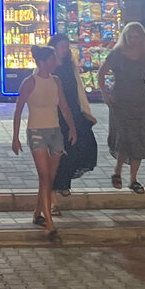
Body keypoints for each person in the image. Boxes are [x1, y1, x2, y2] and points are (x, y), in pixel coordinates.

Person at [11, 45, 77, 239]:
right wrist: (15, 137)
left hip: (55, 131)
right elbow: (18, 110)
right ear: (42, 62)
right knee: (44, 176)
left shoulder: (56, 81)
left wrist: (72, 127)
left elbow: (64, 106)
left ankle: (37, 213)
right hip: (37, 131)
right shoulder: (29, 83)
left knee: (49, 178)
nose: (56, 62)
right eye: (52, 59)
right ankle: (49, 223)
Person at [97, 22, 145, 194]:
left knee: (139, 139)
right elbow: (101, 73)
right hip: (121, 100)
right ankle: (118, 170)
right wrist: (104, 94)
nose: (133, 40)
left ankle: (133, 179)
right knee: (124, 137)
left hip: (140, 99)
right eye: (130, 36)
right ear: (125, 37)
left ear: (142, 38)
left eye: (137, 36)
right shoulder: (117, 54)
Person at [48, 32, 98, 196]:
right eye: (62, 47)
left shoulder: (70, 65)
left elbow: (78, 89)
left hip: (73, 109)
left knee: (82, 143)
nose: (65, 50)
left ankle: (64, 181)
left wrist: (86, 110)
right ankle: (58, 186)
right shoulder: (49, 66)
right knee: (61, 149)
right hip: (56, 112)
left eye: (66, 47)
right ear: (54, 48)